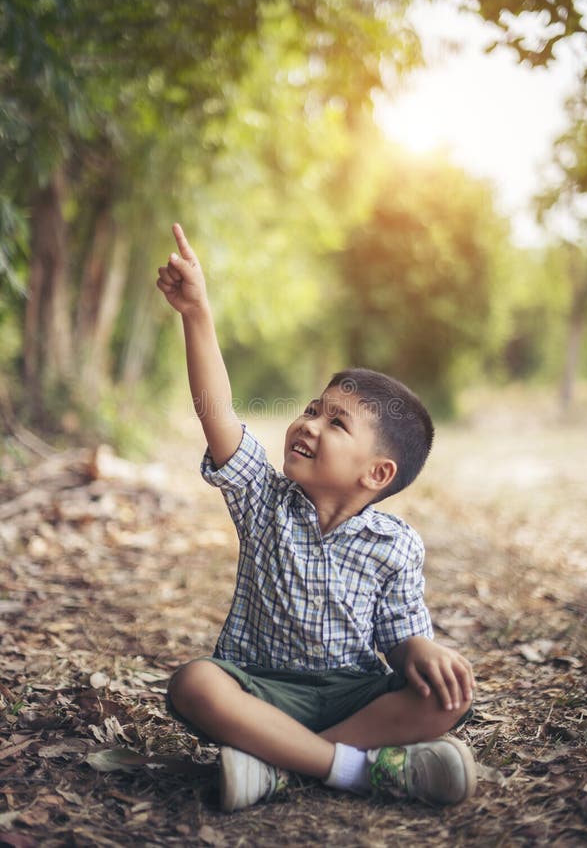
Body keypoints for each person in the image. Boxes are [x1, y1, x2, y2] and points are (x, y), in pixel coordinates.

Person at [156, 223, 477, 813]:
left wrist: (421, 653)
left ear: (377, 474)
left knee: (448, 698)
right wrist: (196, 312)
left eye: (336, 423)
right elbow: (217, 412)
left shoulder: (395, 544)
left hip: (353, 695)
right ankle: (351, 769)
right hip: (260, 688)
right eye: (311, 410)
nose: (308, 424)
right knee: (193, 684)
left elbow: (400, 636)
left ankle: (276, 767)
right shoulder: (263, 497)